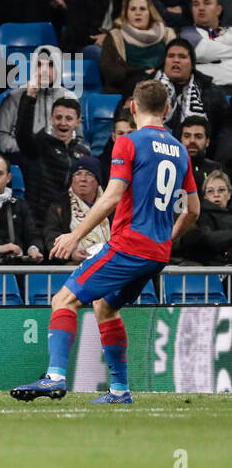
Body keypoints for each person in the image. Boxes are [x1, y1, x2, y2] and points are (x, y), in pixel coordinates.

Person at [11, 80, 200, 404]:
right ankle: (119, 390)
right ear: (167, 110)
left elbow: (111, 197)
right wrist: (166, 238)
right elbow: (193, 210)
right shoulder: (179, 150)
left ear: (133, 108)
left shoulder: (129, 143)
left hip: (129, 245)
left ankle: (54, 377)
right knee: (105, 306)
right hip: (157, 254)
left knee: (63, 300)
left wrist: (75, 235)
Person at [16, 94, 93, 218]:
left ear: (78, 122)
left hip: (69, 221)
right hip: (39, 220)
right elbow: (22, 133)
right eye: (58, 117)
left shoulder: (84, 154)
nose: (63, 123)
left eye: (68, 118)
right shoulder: (38, 145)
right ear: (51, 119)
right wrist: (30, 97)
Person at [38, 155, 111, 263]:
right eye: (77, 174)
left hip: (110, 262)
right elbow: (51, 236)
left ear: (98, 181)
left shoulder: (110, 203)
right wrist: (71, 254)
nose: (83, 179)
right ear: (71, 180)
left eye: (89, 174)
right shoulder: (59, 205)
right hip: (73, 266)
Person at [100, 0, 177, 95]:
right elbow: (111, 71)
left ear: (150, 12)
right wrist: (141, 73)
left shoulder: (167, 34)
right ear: (126, 13)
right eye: (133, 9)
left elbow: (175, 63)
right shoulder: (115, 37)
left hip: (164, 84)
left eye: (142, 9)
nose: (138, 13)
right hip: (128, 88)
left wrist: (156, 74)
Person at [0, 153, 44, 265]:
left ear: (8, 178)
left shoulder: (20, 205)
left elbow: (33, 235)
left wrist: (33, 249)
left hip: (15, 270)